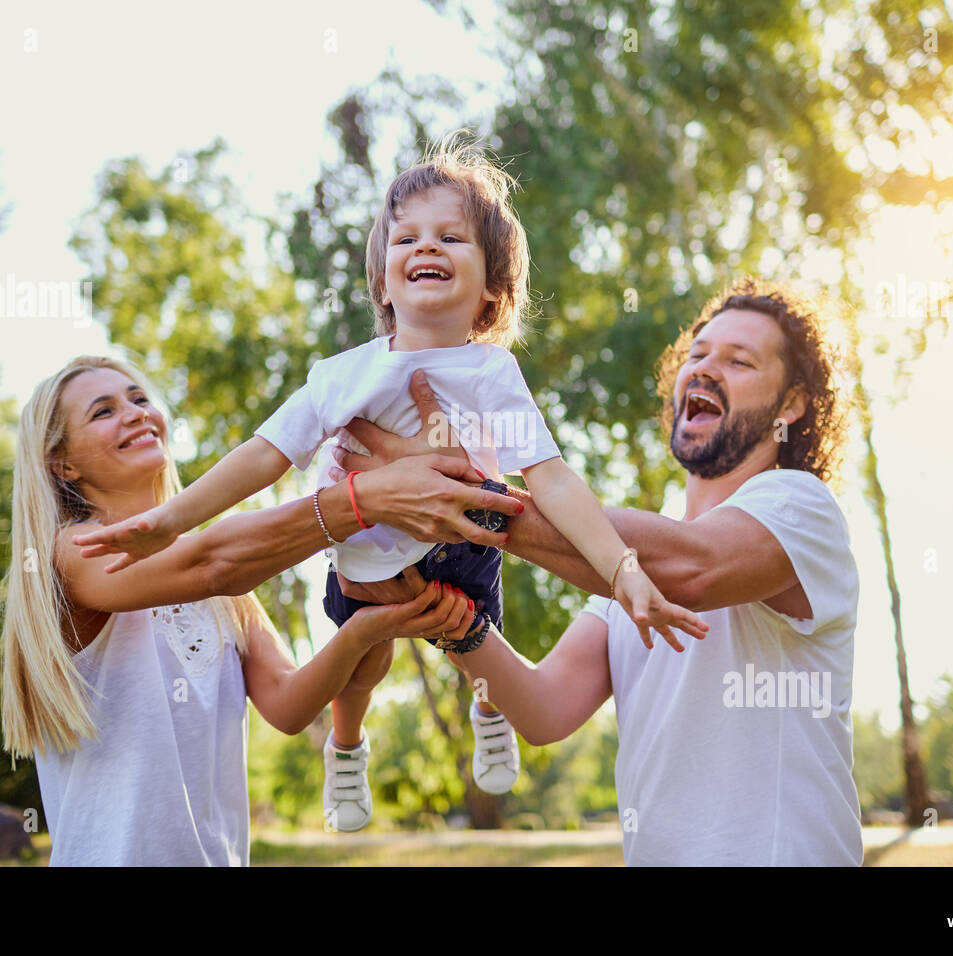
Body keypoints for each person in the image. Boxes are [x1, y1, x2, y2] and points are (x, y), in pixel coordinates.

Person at [72, 135, 707, 832]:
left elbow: (551, 481)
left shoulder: (493, 374)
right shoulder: (341, 375)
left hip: (465, 542)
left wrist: (620, 568)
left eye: (451, 237)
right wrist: (173, 521)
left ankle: (487, 712)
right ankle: (347, 745)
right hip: (363, 556)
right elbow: (263, 455)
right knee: (363, 664)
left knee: (479, 630)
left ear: (492, 288)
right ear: (382, 281)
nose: (426, 247)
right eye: (406, 237)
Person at [333, 278, 865, 866]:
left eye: (739, 360)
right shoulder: (624, 559)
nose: (705, 369)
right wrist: (446, 616)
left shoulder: (799, 506)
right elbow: (544, 708)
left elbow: (694, 567)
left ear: (791, 405)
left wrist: (462, 493)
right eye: (697, 354)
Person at [0, 354, 508, 865]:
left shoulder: (226, 587)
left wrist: (365, 631)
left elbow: (289, 705)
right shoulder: (73, 553)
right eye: (102, 411)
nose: (135, 413)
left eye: (137, 398)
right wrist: (365, 500)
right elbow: (213, 562)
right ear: (62, 462)